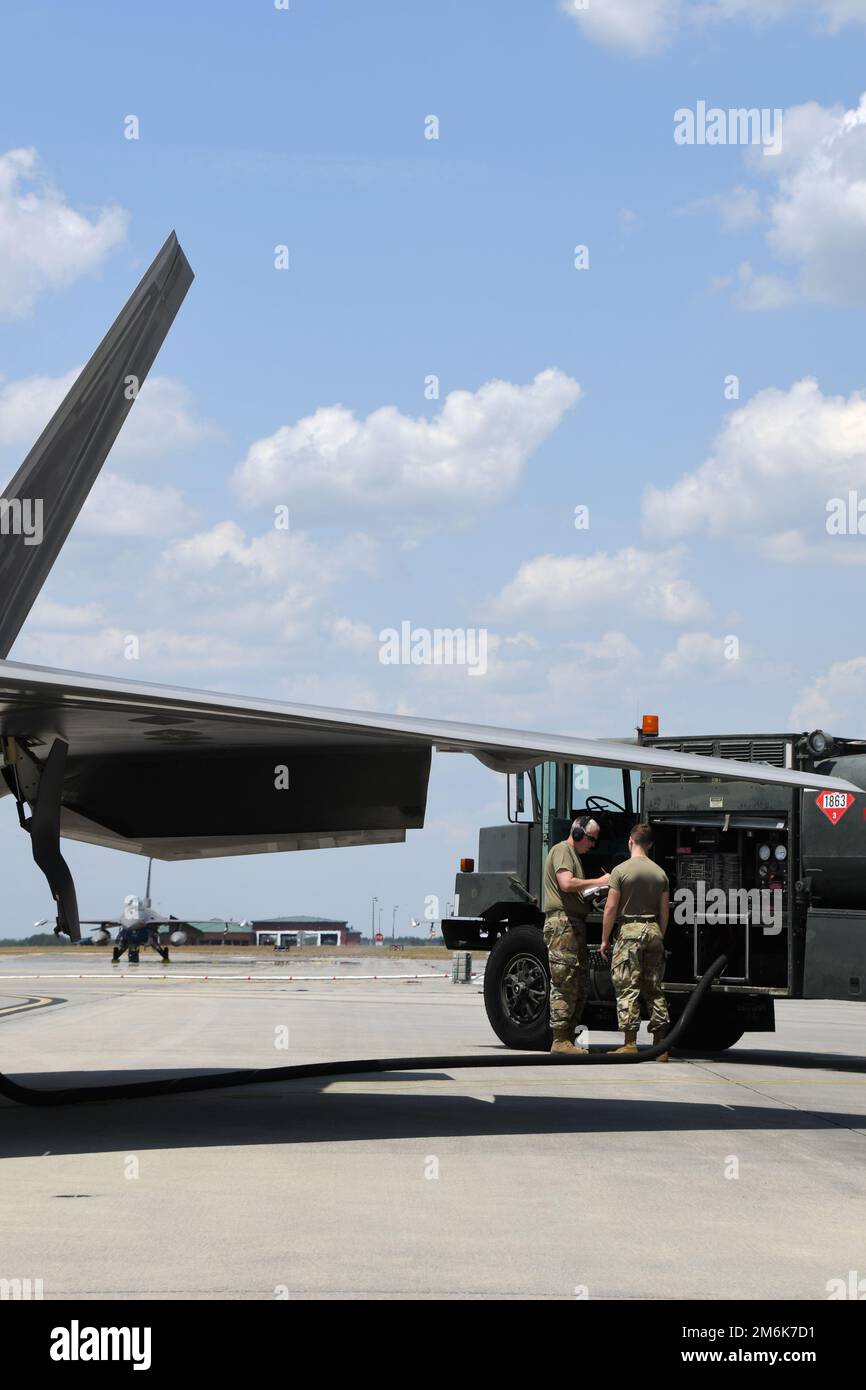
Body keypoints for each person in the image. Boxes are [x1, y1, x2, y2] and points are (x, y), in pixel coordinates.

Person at [600, 822, 670, 1060]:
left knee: (627, 987)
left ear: (630, 841)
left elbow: (610, 908)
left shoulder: (620, 871)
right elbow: (664, 912)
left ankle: (630, 1042)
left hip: (629, 931)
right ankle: (660, 1045)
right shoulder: (660, 873)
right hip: (653, 931)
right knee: (654, 988)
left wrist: (605, 939)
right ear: (649, 844)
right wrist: (658, 934)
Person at [542, 816, 610, 1054]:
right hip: (563, 925)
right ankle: (560, 1040)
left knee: (578, 984)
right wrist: (599, 881)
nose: (592, 845)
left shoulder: (574, 857)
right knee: (565, 982)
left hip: (572, 924)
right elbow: (566, 884)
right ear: (579, 834)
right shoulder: (563, 851)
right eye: (591, 839)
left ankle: (567, 1036)